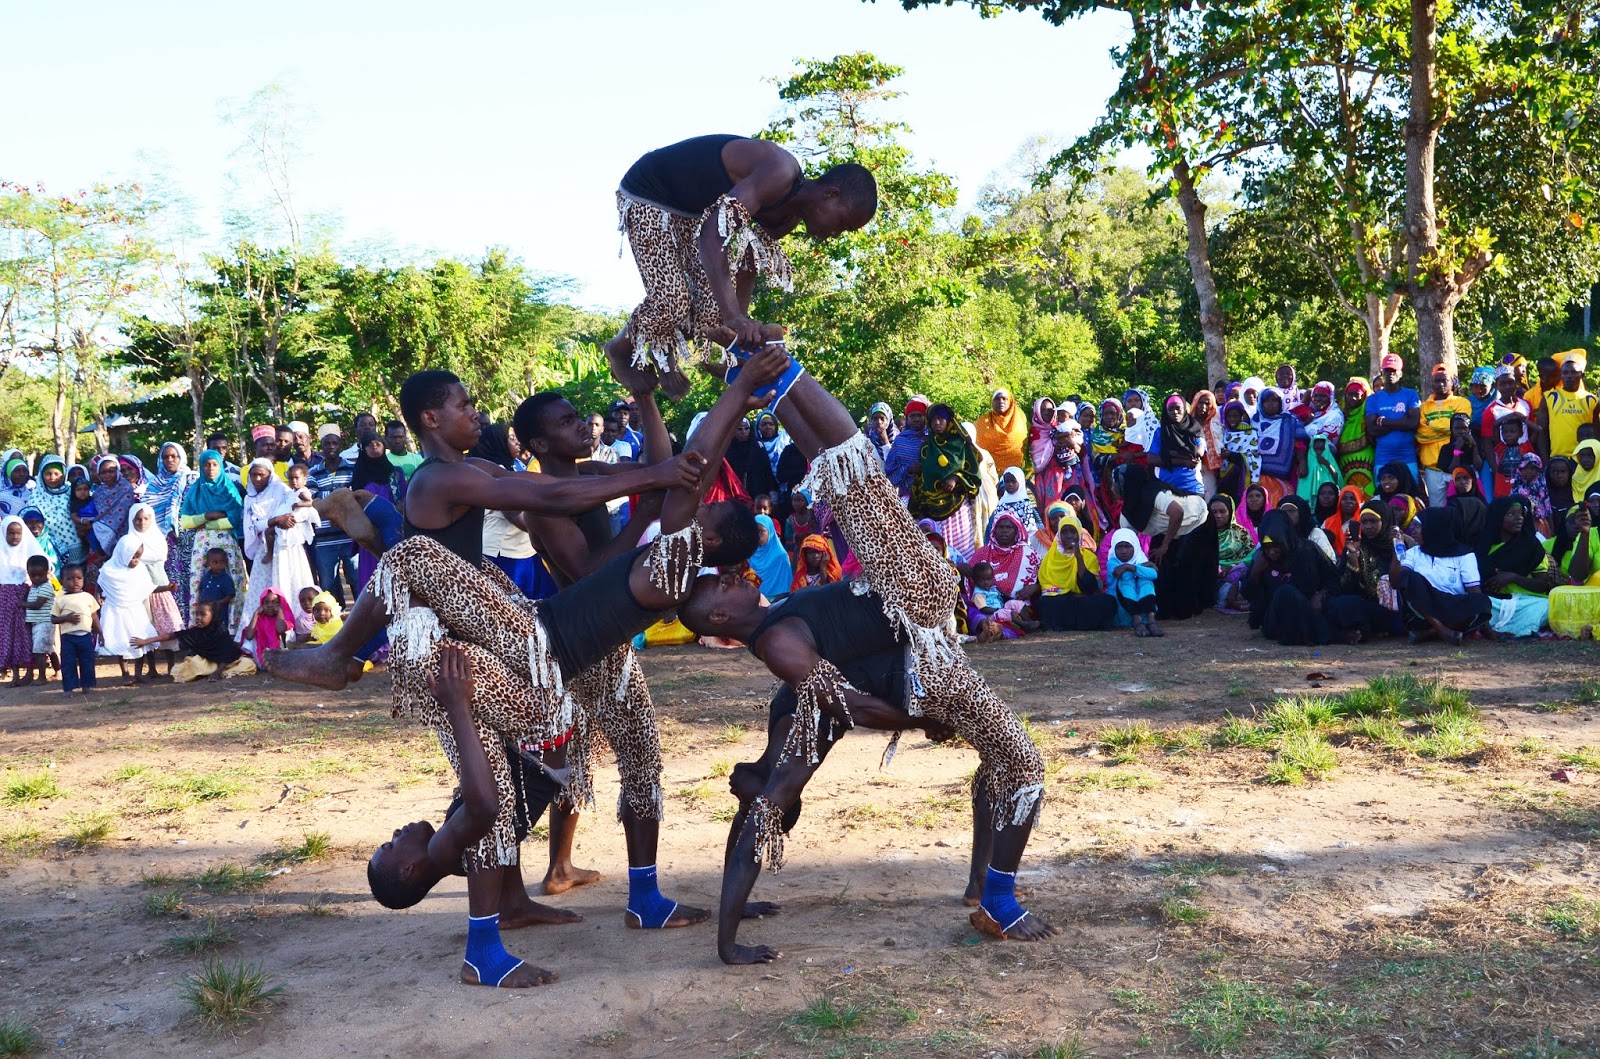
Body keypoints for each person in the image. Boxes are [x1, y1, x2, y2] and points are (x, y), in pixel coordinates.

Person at [269, 358, 779, 958]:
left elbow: (674, 473)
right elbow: (625, 484)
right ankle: (341, 641)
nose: (476, 413)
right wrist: (727, 403)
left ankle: (614, 898)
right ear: (431, 419)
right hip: (529, 642)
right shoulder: (468, 484)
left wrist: (668, 424)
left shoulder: (637, 527)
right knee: (416, 563)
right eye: (463, 405)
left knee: (580, 766)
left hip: (541, 641)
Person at [672, 359, 1055, 960]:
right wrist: (924, 718)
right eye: (721, 585)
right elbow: (849, 707)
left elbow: (808, 736)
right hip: (920, 634)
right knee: (853, 470)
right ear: (719, 618)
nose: (734, 578)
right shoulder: (780, 644)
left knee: (848, 470)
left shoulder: (781, 623)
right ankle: (998, 901)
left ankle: (985, 886)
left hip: (916, 626)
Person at [607, 133, 877, 397]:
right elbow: (712, 236)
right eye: (841, 223)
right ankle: (619, 349)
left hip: (692, 212)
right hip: (650, 190)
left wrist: (738, 333)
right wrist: (734, 316)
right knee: (671, 303)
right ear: (831, 194)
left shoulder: (786, 219)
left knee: (714, 314)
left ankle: (662, 342)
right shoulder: (779, 172)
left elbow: (748, 268)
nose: (835, 234)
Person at [1110, 464, 1217, 622]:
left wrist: (1165, 545)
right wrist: (1133, 565)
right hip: (1167, 529)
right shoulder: (1127, 514)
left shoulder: (1156, 493)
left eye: (1115, 484)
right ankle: (1161, 609)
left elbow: (1177, 513)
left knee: (1183, 564)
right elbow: (1128, 540)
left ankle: (1187, 609)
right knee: (1157, 564)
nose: (1112, 489)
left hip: (1196, 521)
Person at [238, 458, 317, 636]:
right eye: (253, 475)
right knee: (263, 592)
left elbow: (303, 511)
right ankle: (263, 634)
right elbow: (254, 526)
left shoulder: (283, 491)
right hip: (265, 549)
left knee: (291, 583)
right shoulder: (249, 499)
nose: (257, 479)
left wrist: (289, 520)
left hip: (288, 548)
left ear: (270, 475)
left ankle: (297, 629)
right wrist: (275, 520)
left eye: (261, 475)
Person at [1394, 507, 1491, 644]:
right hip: (1421, 611)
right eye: (1413, 526)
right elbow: (1398, 579)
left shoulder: (1465, 555)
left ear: (1434, 528)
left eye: (1418, 526)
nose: (1413, 531)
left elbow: (1474, 591)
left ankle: (1429, 633)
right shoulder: (1414, 552)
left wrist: (1489, 630)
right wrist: (1397, 547)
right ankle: (1441, 630)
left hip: (1451, 607)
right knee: (1409, 577)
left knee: (1482, 601)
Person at [1244, 510, 1339, 646]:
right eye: (1267, 547)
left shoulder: (1308, 549)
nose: (1271, 552)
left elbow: (1333, 579)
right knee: (1286, 593)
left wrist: (1321, 594)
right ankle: (1334, 635)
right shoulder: (1261, 558)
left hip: (1310, 609)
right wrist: (1255, 573)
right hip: (1277, 620)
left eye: (1276, 546)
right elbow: (1250, 596)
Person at [180, 450, 248, 634]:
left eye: (215, 464)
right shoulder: (196, 489)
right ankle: (200, 629)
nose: (210, 468)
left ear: (220, 466)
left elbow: (234, 520)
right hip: (202, 546)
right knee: (199, 583)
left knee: (233, 582)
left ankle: (233, 630)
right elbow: (185, 521)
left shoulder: (229, 489)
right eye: (206, 465)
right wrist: (208, 515)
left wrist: (204, 524)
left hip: (226, 544)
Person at [1475, 496, 1559, 637]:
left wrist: (1513, 577)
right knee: (1475, 602)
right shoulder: (1483, 545)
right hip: (1494, 601)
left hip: (1525, 602)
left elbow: (1542, 584)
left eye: (1520, 514)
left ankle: (1509, 628)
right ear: (1498, 517)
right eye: (1511, 514)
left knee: (1546, 606)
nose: (1519, 518)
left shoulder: (1531, 546)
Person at [95, 516, 160, 684]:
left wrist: (166, 588)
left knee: (139, 640)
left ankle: (138, 673)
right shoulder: (108, 569)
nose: (136, 561)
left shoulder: (140, 569)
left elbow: (147, 586)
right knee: (121, 641)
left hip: (135, 609)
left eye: (138, 557)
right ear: (123, 553)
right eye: (133, 557)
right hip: (115, 610)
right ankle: (125, 673)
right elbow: (100, 585)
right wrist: (97, 598)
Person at [910, 404, 982, 558]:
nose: (937, 423)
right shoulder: (926, 447)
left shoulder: (961, 444)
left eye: (941, 419)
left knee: (962, 553)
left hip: (957, 507)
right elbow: (923, 478)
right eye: (933, 420)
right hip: (932, 510)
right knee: (937, 552)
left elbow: (973, 473)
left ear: (948, 421)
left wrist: (956, 478)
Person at [1033, 507, 1118, 631]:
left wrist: (1078, 557)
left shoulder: (1089, 556)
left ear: (1079, 534)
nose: (1068, 536)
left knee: (1107, 601)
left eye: (1072, 532)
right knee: (1045, 603)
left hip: (1083, 597)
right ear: (1059, 535)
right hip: (1059, 599)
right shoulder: (1050, 557)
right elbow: (1046, 586)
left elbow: (1092, 588)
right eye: (1064, 532)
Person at [134, 599, 257, 682]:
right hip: (209, 663)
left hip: (227, 662)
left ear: (213, 615)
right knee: (192, 664)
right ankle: (212, 671)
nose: (198, 618)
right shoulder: (196, 632)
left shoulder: (220, 631)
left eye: (203, 614)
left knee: (248, 664)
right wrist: (146, 641)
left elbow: (227, 654)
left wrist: (217, 673)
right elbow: (172, 636)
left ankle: (219, 671)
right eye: (197, 614)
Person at [125, 503, 179, 676]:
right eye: (138, 519)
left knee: (166, 627)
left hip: (160, 590)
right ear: (131, 520)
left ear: (152, 519)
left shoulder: (158, 538)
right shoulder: (128, 541)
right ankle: (152, 669)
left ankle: (171, 667)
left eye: (146, 519)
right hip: (140, 594)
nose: (142, 522)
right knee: (145, 628)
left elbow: (160, 556)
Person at [308, 429, 358, 601]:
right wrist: (341, 494)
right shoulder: (313, 472)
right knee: (327, 584)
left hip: (350, 536)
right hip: (324, 539)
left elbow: (355, 495)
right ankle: (333, 617)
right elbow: (312, 500)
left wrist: (327, 499)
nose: (331, 447)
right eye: (327, 443)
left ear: (340, 445)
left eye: (334, 443)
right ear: (321, 446)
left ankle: (362, 616)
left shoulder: (352, 468)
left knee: (357, 580)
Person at [1417, 366, 1473, 505]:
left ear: (1453, 382)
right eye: (1437, 381)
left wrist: (1432, 424)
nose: (1440, 384)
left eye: (1445, 380)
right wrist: (1449, 429)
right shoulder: (1424, 407)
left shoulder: (1462, 403)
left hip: (1458, 464)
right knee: (1437, 507)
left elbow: (1461, 429)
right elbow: (1421, 435)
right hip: (1432, 467)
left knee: (1461, 504)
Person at [1365, 354, 1422, 487]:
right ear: (1382, 373)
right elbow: (1372, 429)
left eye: (1394, 371)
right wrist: (1402, 421)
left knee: (1409, 495)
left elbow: (1413, 423)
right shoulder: (1373, 399)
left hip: (1407, 457)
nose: (1390, 374)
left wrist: (1383, 421)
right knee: (1384, 495)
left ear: (1400, 374)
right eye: (1387, 370)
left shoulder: (1411, 394)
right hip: (1383, 458)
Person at [1536, 353, 1597, 461]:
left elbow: (1597, 431)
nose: (1569, 376)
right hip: (1558, 458)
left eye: (1574, 372)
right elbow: (1542, 430)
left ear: (1582, 375)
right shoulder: (1550, 397)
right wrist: (1545, 460)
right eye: (1565, 373)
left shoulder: (1592, 400)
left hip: (1584, 460)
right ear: (1561, 376)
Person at [50, 564, 99, 694]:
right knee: (68, 663)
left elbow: (94, 616)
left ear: (83, 579)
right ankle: (69, 688)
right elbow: (53, 619)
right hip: (68, 638)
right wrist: (67, 618)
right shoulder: (60, 599)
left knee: (87, 661)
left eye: (79, 578)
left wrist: (100, 632)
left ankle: (87, 685)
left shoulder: (88, 597)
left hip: (86, 636)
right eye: (70, 579)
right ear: (62, 581)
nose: (75, 581)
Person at [1105, 528, 1161, 635]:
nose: (1124, 551)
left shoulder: (1140, 558)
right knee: (1128, 581)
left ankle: (1151, 620)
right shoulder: (1112, 562)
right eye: (1119, 547)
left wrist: (1129, 567)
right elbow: (1124, 576)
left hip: (1142, 605)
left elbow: (1154, 574)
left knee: (1145, 581)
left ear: (1135, 546)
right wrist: (1138, 568)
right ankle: (1136, 620)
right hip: (1122, 608)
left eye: (1128, 546)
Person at [1255, 388, 1306, 505]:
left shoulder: (1291, 420)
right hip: (1257, 476)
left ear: (1281, 402)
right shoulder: (1254, 421)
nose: (1271, 403)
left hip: (1283, 477)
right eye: (1267, 401)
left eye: (1274, 400)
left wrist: (1302, 462)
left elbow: (1300, 443)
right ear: (1261, 403)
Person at [1297, 382, 1345, 505]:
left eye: (1323, 396)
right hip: (1307, 463)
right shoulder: (1310, 415)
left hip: (1323, 463)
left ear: (1330, 398)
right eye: (1315, 396)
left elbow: (1322, 441)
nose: (1317, 399)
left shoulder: (1335, 415)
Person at [1150, 392, 1205, 493]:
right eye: (1171, 409)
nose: (1175, 412)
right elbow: (1152, 459)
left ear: (1184, 409)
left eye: (1178, 408)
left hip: (1192, 487)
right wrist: (1184, 461)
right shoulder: (1159, 432)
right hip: (1165, 488)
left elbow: (1198, 452)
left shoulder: (1195, 430)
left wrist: (1169, 453)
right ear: (1166, 411)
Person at [33, 455, 79, 572]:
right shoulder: (35, 497)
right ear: (41, 475)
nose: (52, 478)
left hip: (78, 549)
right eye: (48, 474)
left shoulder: (73, 491)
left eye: (56, 474)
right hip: (50, 550)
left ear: (63, 475)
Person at [18, 554, 56, 687]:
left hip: (44, 623)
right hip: (38, 623)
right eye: (33, 575)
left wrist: (22, 604)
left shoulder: (46, 587)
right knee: (49, 649)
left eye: (40, 575)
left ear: (48, 572)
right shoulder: (35, 587)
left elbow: (37, 604)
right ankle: (58, 671)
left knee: (38, 651)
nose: (36, 578)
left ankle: (42, 677)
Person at [975, 389, 1029, 477]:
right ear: (991, 402)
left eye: (1004, 398)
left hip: (1016, 473)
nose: (1001, 401)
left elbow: (1029, 444)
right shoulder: (982, 423)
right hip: (989, 473)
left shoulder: (1020, 418)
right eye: (997, 399)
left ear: (1010, 400)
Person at [1335, 377, 1376, 493]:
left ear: (1364, 395)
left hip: (1366, 458)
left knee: (1367, 488)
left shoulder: (1369, 411)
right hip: (1344, 462)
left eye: (1356, 395)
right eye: (1349, 394)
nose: (1352, 398)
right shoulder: (1340, 413)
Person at [884, 397, 929, 497]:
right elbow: (890, 473)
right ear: (907, 418)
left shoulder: (934, 439)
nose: (916, 419)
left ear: (925, 417)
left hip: (935, 496)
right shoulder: (900, 441)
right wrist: (908, 469)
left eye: (920, 415)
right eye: (912, 416)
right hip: (908, 495)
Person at [748, 513, 792, 601]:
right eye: (754, 531)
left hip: (775, 601)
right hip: (751, 599)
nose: (757, 535)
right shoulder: (749, 553)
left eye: (761, 531)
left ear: (770, 532)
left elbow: (786, 588)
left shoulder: (781, 556)